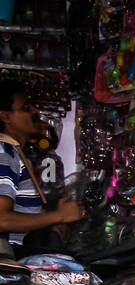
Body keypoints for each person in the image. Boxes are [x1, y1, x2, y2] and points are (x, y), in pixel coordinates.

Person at [0, 81, 83, 257]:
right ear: (5, 117)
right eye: (26, 108)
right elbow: (2, 219)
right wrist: (59, 216)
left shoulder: (13, 152)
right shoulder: (4, 152)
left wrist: (49, 219)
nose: (35, 112)